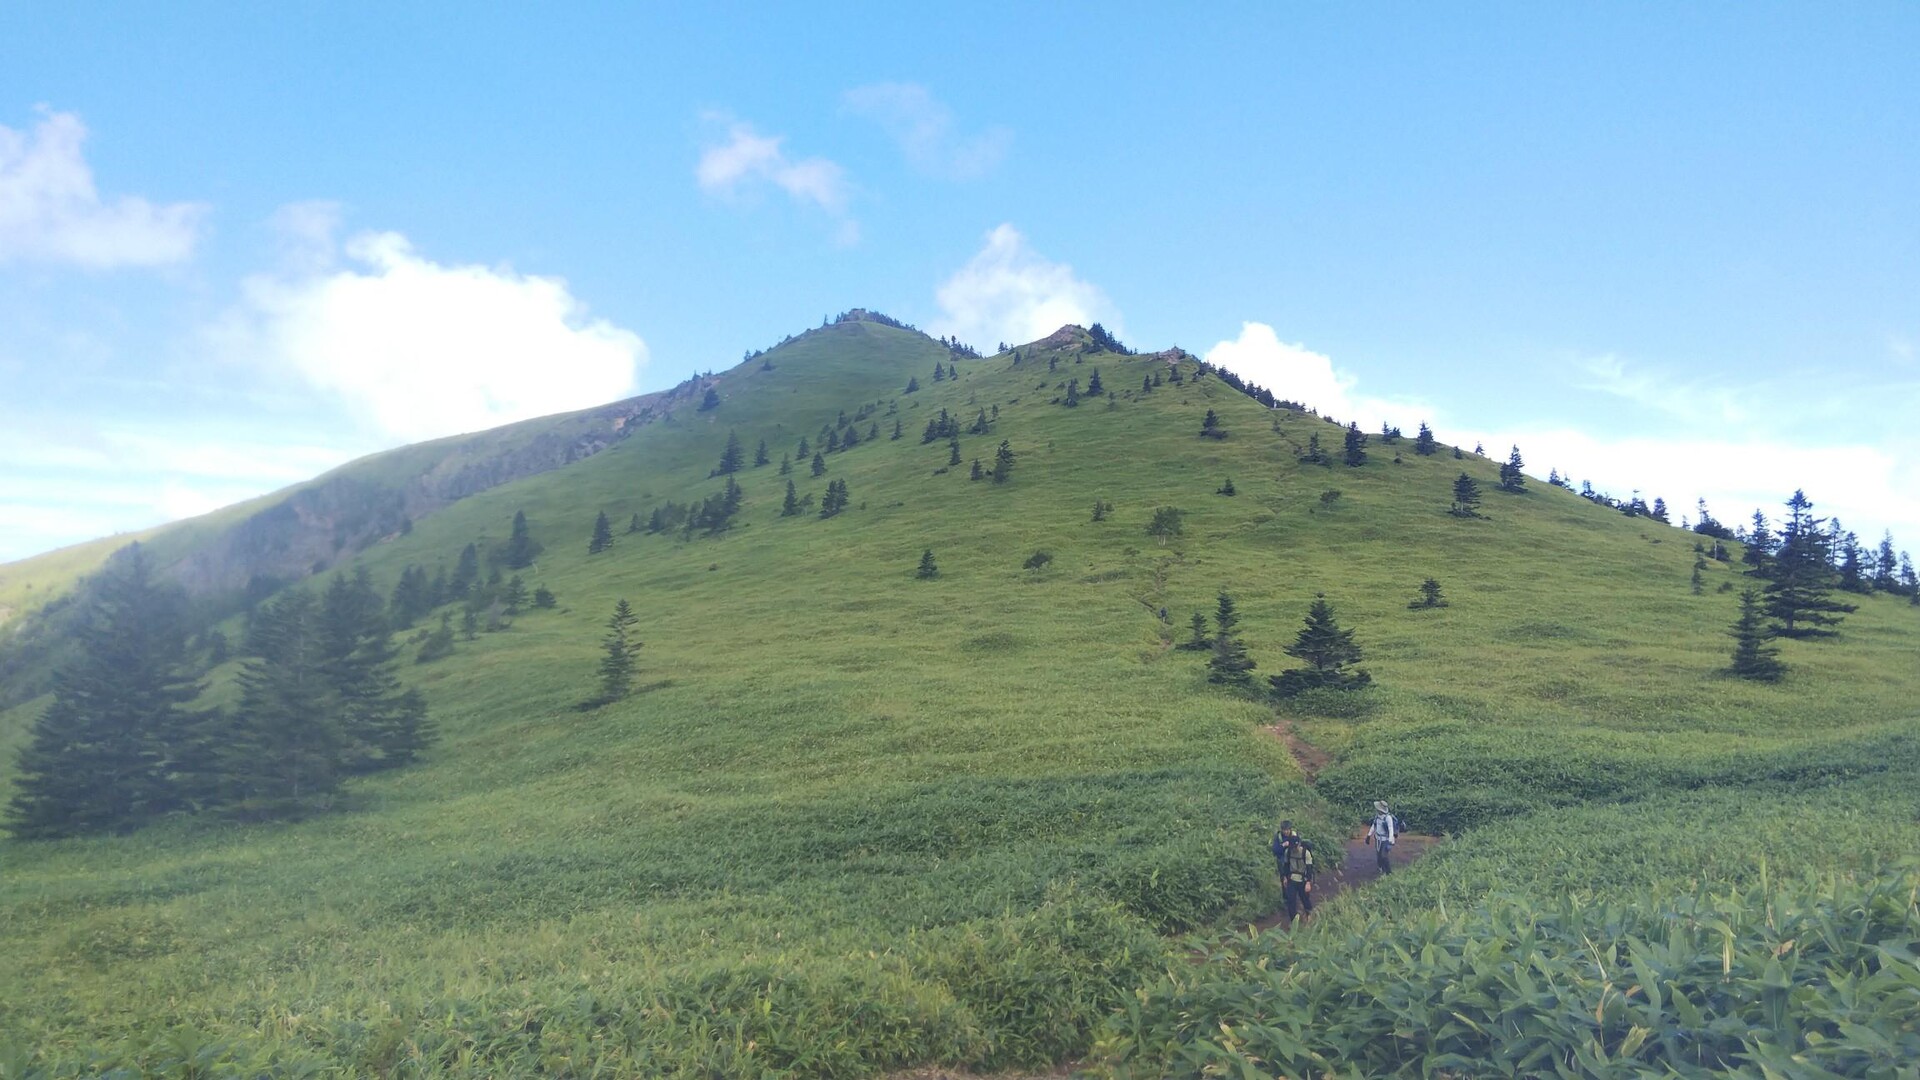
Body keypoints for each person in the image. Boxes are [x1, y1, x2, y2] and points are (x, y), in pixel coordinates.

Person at [1270, 820, 1315, 926]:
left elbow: (1309, 868)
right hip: (1292, 878)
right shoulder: (1287, 851)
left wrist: (1308, 882)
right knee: (1291, 900)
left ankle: (1308, 913)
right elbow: (1285, 864)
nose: (1286, 831)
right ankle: (1294, 921)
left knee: (1305, 898)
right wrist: (1285, 877)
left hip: (1302, 878)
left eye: (1287, 829)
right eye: (1284, 829)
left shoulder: (1305, 853)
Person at [1365, 800, 1400, 874]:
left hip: (1385, 840)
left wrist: (1391, 841)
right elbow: (1374, 825)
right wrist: (1369, 835)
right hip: (1377, 838)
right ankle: (1381, 869)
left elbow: (1391, 829)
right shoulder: (1377, 816)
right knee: (1379, 856)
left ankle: (1388, 872)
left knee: (1384, 856)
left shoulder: (1388, 818)